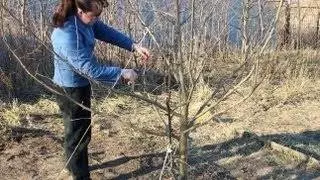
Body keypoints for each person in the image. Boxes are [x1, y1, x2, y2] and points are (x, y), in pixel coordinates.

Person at [51, 0, 150, 179]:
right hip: (70, 90)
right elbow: (90, 70)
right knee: (79, 136)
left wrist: (133, 46)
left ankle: (71, 164)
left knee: (77, 130)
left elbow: (104, 31)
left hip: (77, 85)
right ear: (81, 10)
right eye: (94, 15)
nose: (97, 19)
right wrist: (122, 72)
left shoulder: (84, 20)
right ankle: (80, 175)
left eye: (99, 15)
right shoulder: (68, 35)